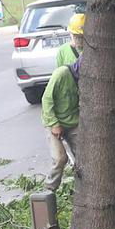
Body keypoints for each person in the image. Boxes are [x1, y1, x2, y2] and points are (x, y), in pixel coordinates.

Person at [41, 58, 80, 191]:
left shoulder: (87, 81)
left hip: (73, 122)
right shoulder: (62, 73)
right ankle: (49, 189)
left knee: (84, 156)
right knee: (60, 159)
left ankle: (80, 186)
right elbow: (46, 100)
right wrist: (54, 124)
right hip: (55, 122)